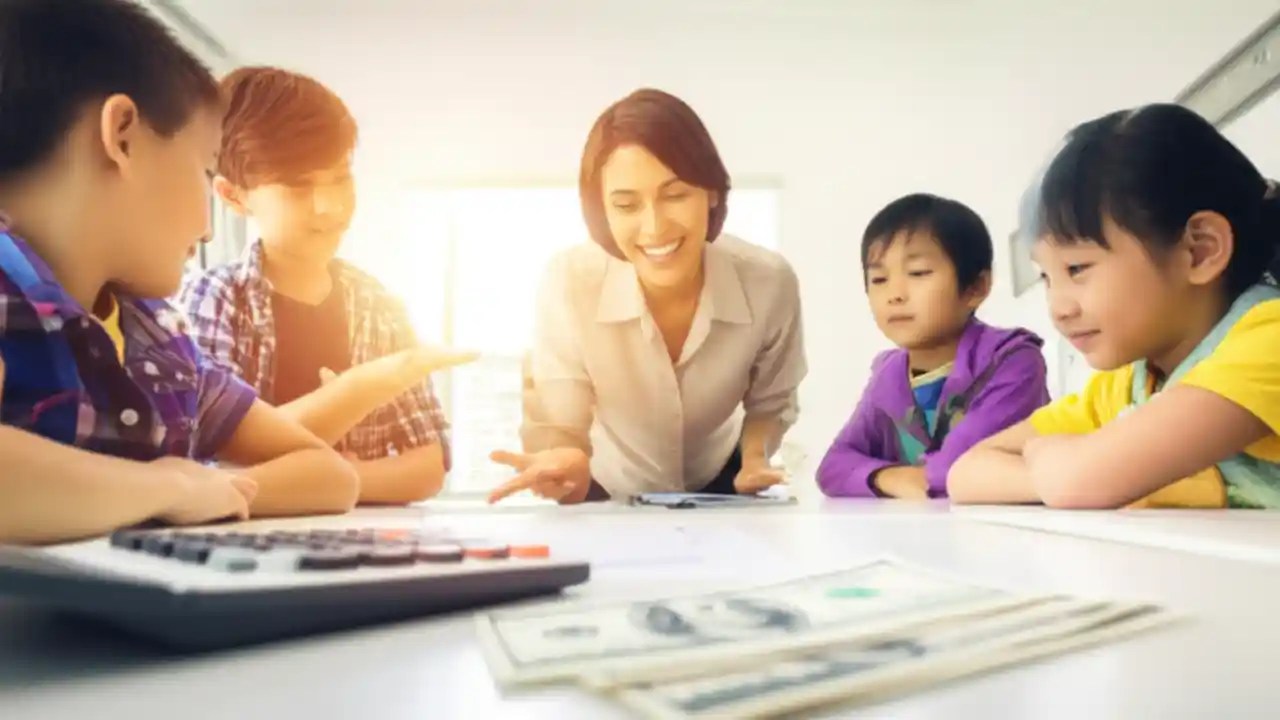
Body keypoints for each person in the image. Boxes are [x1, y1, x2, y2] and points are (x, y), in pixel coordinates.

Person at [0, 0, 358, 545]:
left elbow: (331, 475)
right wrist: (165, 489)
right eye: (206, 167)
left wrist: (200, 492)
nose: (209, 230)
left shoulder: (160, 342)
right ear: (122, 135)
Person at [948, 104, 1280, 509]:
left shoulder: (1269, 341)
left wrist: (1052, 457)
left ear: (1200, 250)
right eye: (1047, 278)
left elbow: (1080, 482)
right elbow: (966, 473)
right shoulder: (1129, 384)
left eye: (1077, 268)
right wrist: (1063, 472)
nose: (1059, 308)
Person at [488, 89, 807, 503]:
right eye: (626, 205)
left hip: (725, 476)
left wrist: (756, 458)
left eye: (675, 196)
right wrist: (563, 457)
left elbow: (771, 401)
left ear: (711, 192)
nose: (654, 228)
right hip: (602, 479)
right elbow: (562, 416)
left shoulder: (768, 281)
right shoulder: (569, 281)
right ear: (601, 209)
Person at [180, 67, 474, 506]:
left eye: (340, 178)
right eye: (298, 188)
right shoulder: (215, 299)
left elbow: (428, 468)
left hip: (366, 542)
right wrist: (355, 399)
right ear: (233, 196)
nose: (330, 206)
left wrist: (338, 479)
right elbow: (216, 456)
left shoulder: (379, 304)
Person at [817, 194, 1048, 499]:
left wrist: (913, 480)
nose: (894, 294)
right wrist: (890, 477)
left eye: (918, 273)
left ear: (976, 287)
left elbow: (959, 466)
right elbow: (833, 467)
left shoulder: (1012, 360)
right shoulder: (888, 375)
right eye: (879, 278)